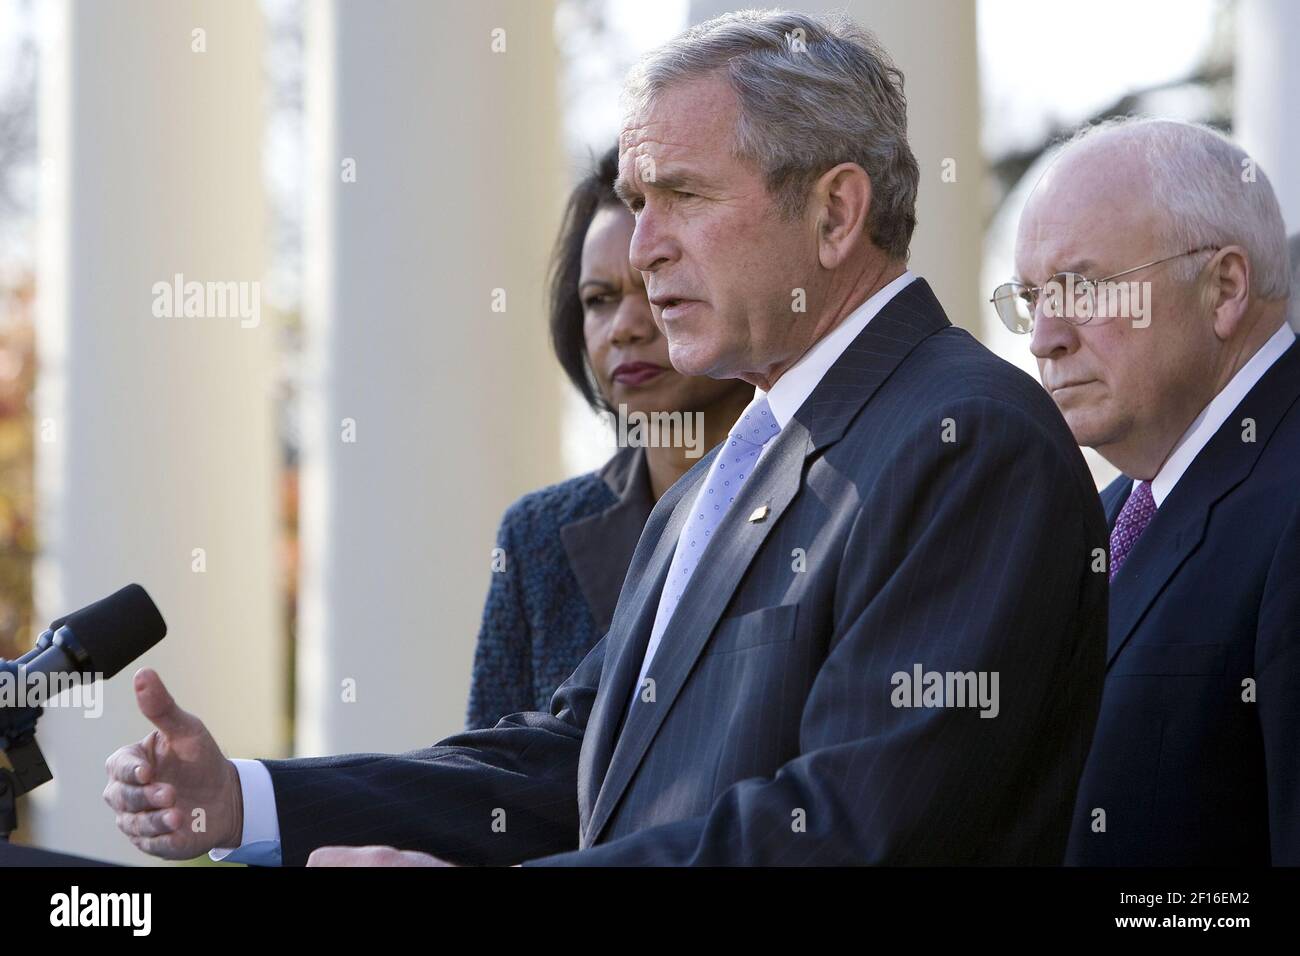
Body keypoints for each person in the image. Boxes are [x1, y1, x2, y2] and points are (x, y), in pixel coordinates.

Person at [104, 9, 1107, 867]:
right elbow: (572, 758)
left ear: (836, 210)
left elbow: (853, 827)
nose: (642, 244)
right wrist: (248, 798)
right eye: (635, 201)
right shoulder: (717, 479)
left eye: (683, 194)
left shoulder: (965, 437)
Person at [995, 117, 1299, 864]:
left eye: (1084, 288)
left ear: (1224, 288)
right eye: (1032, 298)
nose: (1043, 337)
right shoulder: (1108, 520)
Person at [466, 144, 752, 730]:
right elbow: (482, 776)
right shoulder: (536, 538)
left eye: (653, 287)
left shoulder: (829, 491)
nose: (624, 327)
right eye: (598, 300)